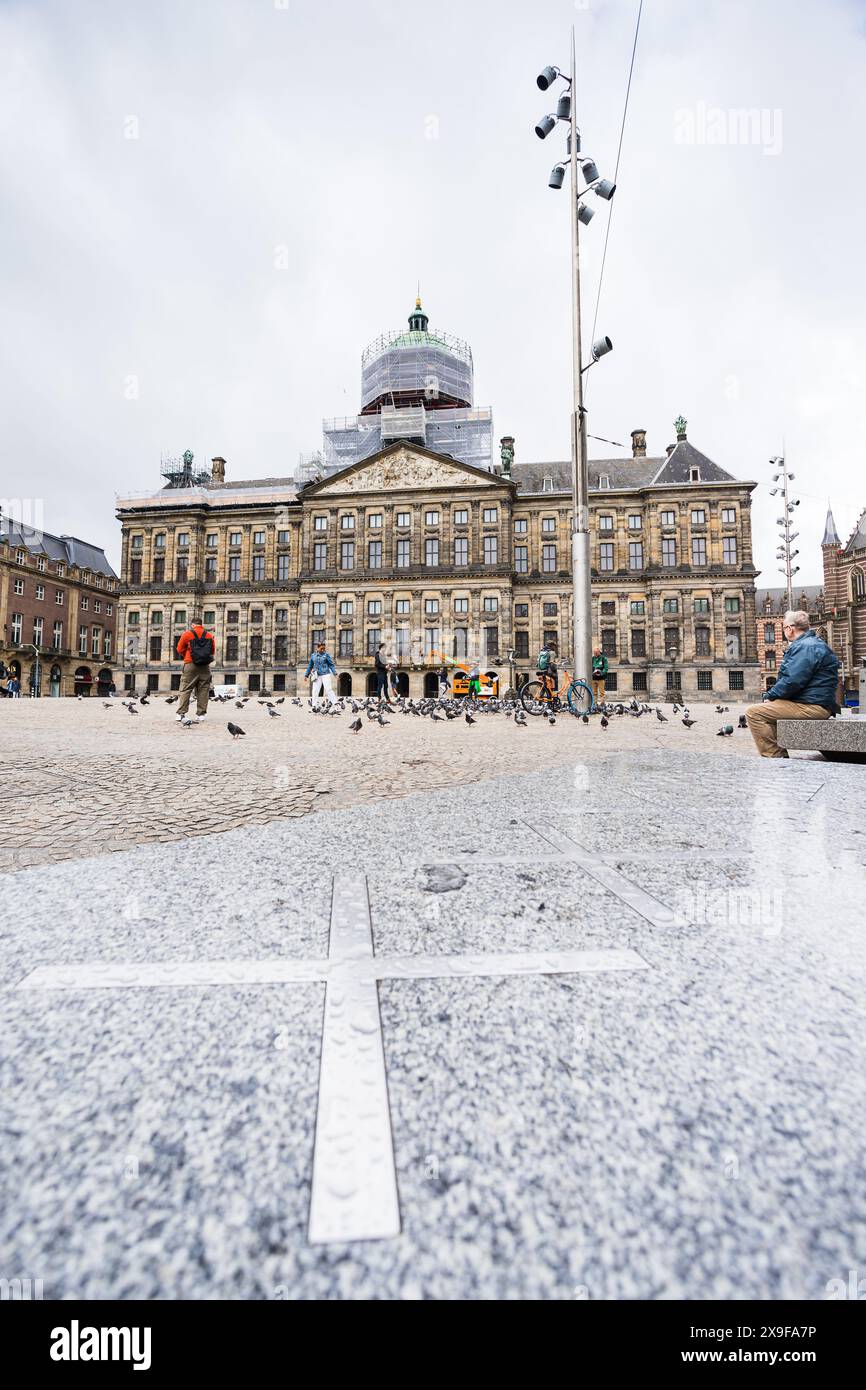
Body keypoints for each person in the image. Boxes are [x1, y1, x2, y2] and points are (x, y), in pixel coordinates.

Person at [745, 610, 839, 758]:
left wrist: (770, 696)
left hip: (812, 706)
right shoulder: (811, 643)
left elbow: (793, 680)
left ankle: (775, 758)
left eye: (783, 627)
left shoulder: (805, 647)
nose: (783, 631)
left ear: (790, 628)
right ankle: (779, 755)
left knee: (754, 713)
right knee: (768, 709)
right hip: (816, 703)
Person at [175, 618, 216, 720]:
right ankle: (201, 714)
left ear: (193, 625)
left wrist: (187, 655)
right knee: (203, 690)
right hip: (205, 666)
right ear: (201, 624)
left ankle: (181, 714)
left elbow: (179, 649)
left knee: (186, 689)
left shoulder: (187, 634)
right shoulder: (209, 635)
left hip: (190, 664)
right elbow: (212, 651)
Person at [305, 641, 338, 708]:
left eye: (324, 649)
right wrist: (306, 675)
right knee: (315, 690)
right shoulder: (313, 655)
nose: (322, 650)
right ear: (317, 648)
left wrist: (335, 673)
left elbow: (331, 665)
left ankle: (336, 704)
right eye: (321, 648)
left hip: (325, 674)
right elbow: (310, 666)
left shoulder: (326, 655)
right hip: (316, 675)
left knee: (328, 689)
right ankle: (314, 706)